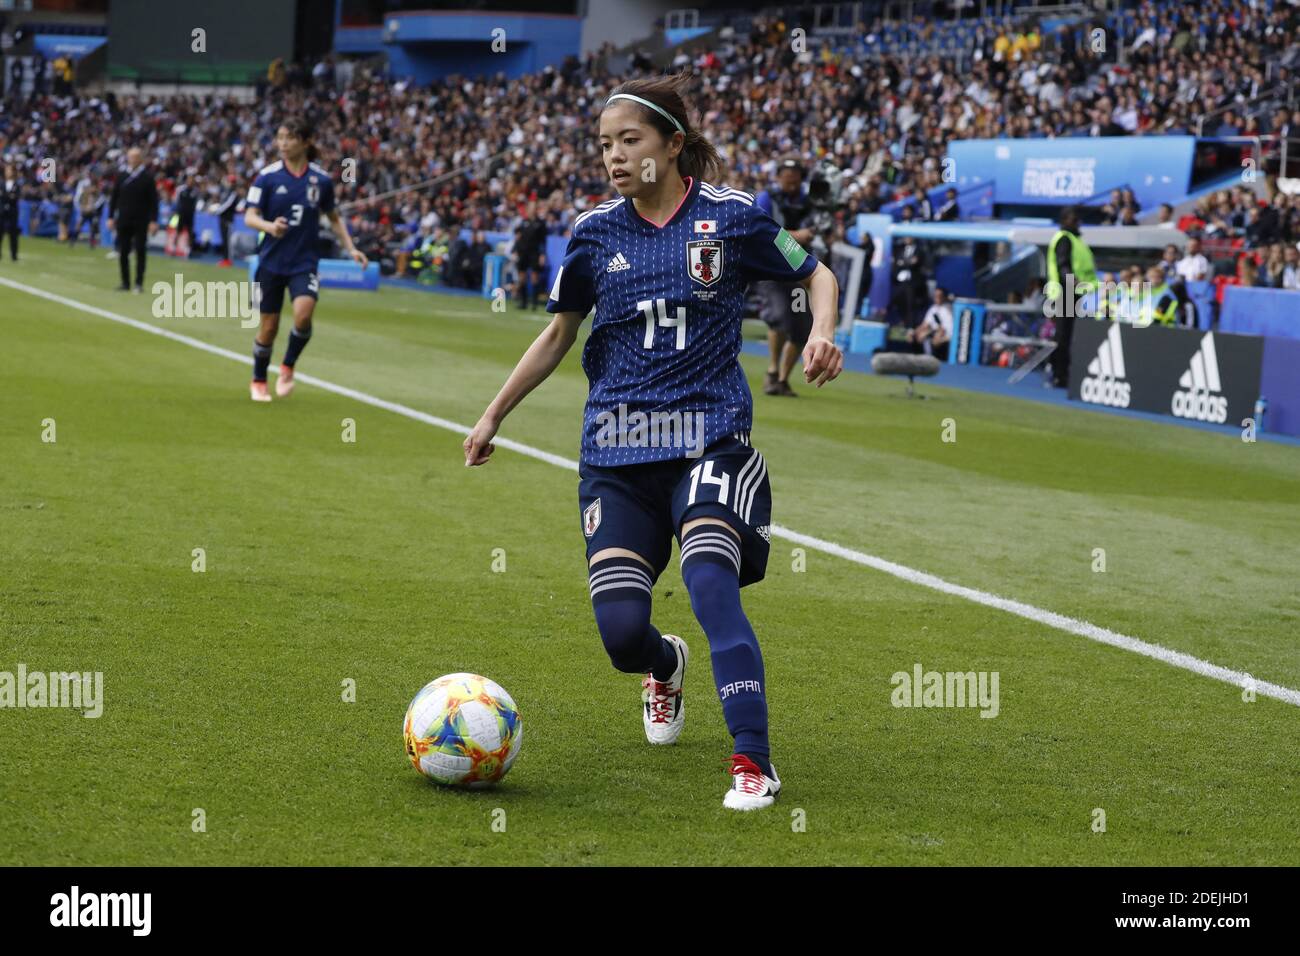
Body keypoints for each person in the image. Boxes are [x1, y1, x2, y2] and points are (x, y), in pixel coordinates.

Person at [462, 72, 844, 811]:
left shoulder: (730, 218)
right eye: (604, 144)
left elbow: (816, 273)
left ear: (672, 145)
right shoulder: (592, 233)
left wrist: (822, 332)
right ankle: (666, 664)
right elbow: (557, 335)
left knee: (709, 580)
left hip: (711, 443)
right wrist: (492, 415)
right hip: (616, 455)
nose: (613, 155)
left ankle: (753, 762)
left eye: (628, 140)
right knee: (621, 634)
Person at [242, 118, 368, 402]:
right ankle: (259, 379)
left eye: (289, 137)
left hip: (304, 262)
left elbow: (333, 217)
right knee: (269, 327)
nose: (283, 143)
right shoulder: (266, 177)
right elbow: (249, 216)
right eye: (280, 137)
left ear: (305, 141)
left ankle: (287, 365)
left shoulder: (321, 181)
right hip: (270, 262)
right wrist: (270, 227)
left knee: (303, 314)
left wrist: (351, 248)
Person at [754, 158, 818, 396]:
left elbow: (818, 228)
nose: (791, 182)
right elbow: (761, 231)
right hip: (771, 269)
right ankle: (772, 370)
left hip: (800, 271)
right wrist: (797, 236)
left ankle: (782, 379)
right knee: (779, 317)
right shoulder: (766, 198)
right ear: (779, 177)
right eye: (786, 176)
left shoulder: (810, 201)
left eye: (795, 177)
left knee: (801, 328)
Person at [1045, 205, 1096, 388]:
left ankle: (1064, 371)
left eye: (1078, 219)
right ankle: (1059, 374)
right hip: (1065, 293)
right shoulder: (1064, 239)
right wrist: (1074, 283)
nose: (1077, 222)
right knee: (1063, 337)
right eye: (1074, 219)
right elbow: (1063, 265)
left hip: (1078, 294)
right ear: (1065, 219)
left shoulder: (1077, 240)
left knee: (1071, 336)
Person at [108, 147, 159, 293]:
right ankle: (125, 283)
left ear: (141, 159)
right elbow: (114, 197)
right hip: (124, 218)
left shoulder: (147, 177)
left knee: (141, 251)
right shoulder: (122, 175)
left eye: (136, 157)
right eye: (131, 157)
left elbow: (153, 201)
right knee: (123, 251)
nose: (133, 160)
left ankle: (139, 283)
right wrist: (111, 216)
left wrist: (154, 220)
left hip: (141, 219)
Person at [0, 164, 22, 262]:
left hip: (12, 213)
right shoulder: (1, 183)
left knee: (13, 234)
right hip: (1, 212)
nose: (7, 172)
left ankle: (14, 256)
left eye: (9, 170)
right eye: (6, 170)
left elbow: (15, 198)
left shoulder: (17, 184)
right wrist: (9, 196)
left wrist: (4, 195)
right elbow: (10, 197)